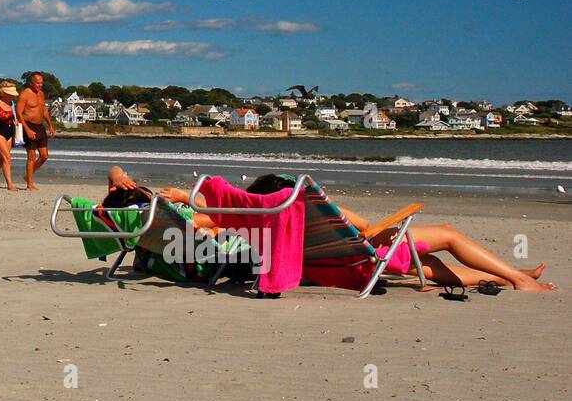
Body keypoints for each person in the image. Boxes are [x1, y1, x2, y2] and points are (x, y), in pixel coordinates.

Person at [150, 171, 554, 293]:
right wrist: (387, 228)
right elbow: (363, 227)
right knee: (445, 234)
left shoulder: (252, 218)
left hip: (330, 268)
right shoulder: (303, 206)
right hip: (364, 259)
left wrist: (186, 194)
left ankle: (501, 276)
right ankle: (519, 278)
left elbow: (215, 210)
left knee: (425, 265)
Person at [17, 72, 54, 190]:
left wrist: (50, 126)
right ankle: (29, 184)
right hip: (28, 125)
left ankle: (28, 176)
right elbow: (18, 113)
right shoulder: (25, 94)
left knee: (44, 156)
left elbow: (44, 111)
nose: (40, 85)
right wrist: (27, 130)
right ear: (31, 83)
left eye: (41, 82)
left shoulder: (41, 94)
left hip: (40, 127)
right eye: (37, 83)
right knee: (31, 156)